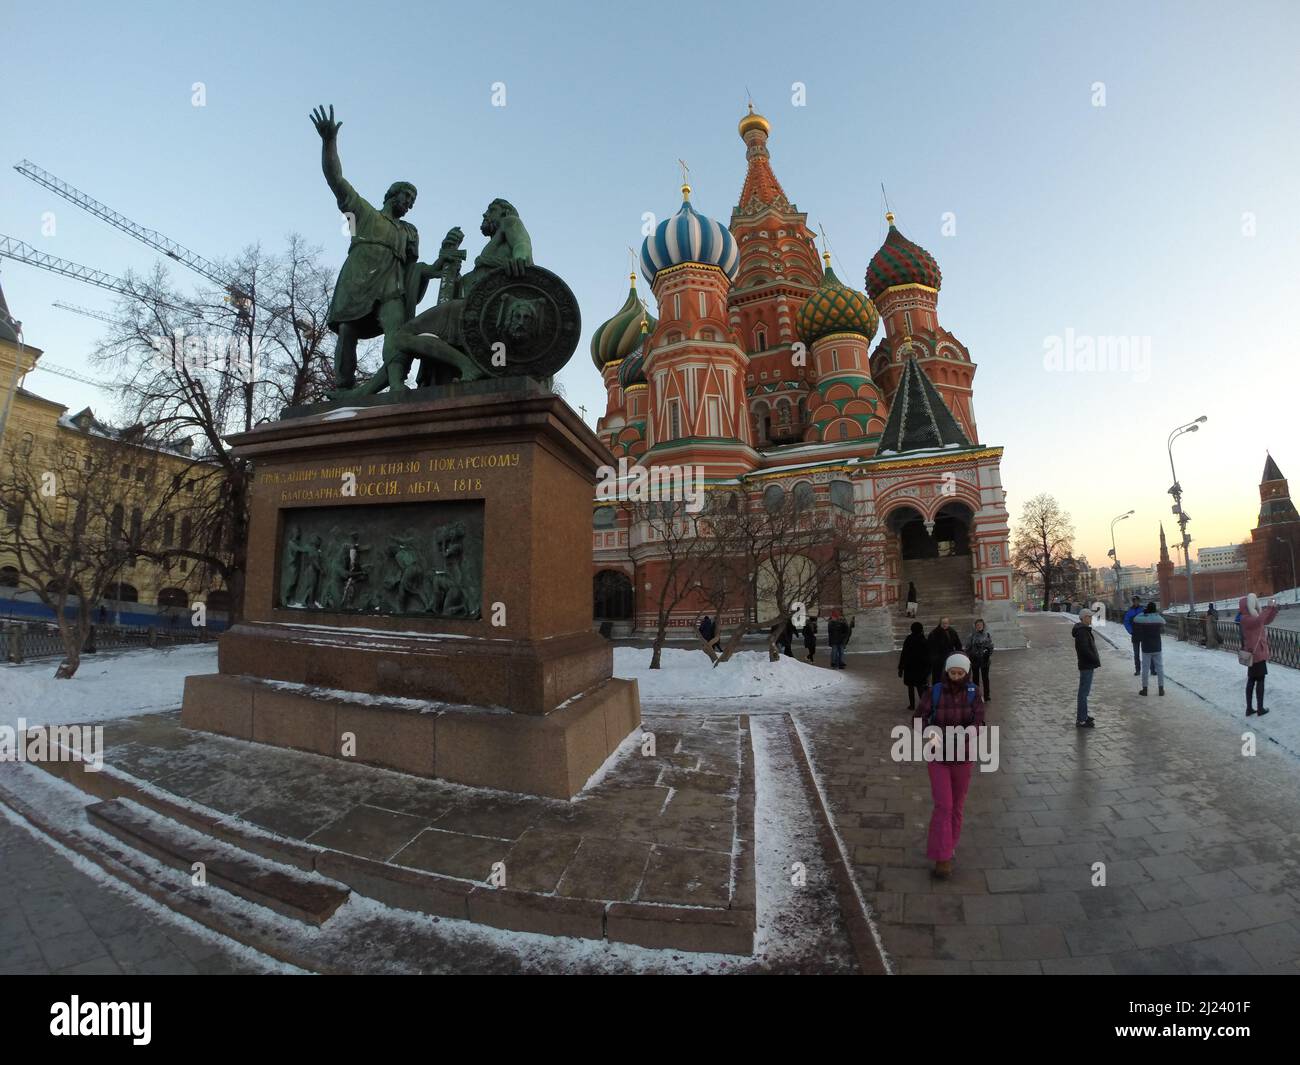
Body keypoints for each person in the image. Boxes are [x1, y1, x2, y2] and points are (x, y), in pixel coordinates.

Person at [916, 652, 985, 880]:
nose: (956, 677)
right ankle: (942, 857)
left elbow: (980, 720)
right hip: (938, 756)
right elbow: (919, 718)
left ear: (966, 673)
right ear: (947, 671)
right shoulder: (934, 691)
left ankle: (949, 843)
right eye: (952, 672)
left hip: (963, 756)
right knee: (943, 805)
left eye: (960, 673)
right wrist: (930, 732)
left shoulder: (974, 693)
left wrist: (970, 731)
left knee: (957, 805)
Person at [1240, 592, 1281, 716]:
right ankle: (1259, 708)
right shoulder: (1246, 619)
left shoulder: (1252, 617)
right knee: (1259, 679)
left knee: (1252, 679)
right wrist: (1268, 608)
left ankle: (1250, 709)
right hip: (1256, 653)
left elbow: (1266, 621)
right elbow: (1260, 620)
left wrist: (1272, 610)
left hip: (1255, 652)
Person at [1073, 608, 1101, 728]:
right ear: (1084, 618)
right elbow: (1084, 650)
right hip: (1086, 664)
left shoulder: (1083, 630)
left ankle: (1083, 716)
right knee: (1083, 693)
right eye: (1089, 617)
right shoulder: (1082, 632)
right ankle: (1081, 720)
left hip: (1087, 664)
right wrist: (1094, 659)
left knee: (1084, 692)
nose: (1091, 619)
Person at [1132, 601, 1166, 696]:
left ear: (1147, 609)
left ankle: (1145, 689)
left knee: (1145, 669)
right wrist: (1155, 614)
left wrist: (1144, 612)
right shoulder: (1158, 619)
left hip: (1146, 647)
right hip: (1157, 646)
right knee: (1160, 668)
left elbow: (1135, 619)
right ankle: (1161, 689)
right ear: (1155, 609)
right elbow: (1164, 622)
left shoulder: (1143, 619)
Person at [898, 621, 930, 711]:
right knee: (920, 687)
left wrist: (901, 668)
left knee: (910, 687)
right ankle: (923, 705)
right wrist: (928, 669)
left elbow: (903, 654)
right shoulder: (923, 640)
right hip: (920, 668)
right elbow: (927, 656)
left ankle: (912, 705)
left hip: (909, 668)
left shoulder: (908, 639)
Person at [926, 617, 963, 684]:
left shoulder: (952, 632)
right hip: (937, 661)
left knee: (949, 678)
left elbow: (958, 645)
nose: (944, 625)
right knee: (938, 680)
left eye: (946, 623)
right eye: (943, 623)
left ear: (948, 623)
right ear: (940, 623)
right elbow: (929, 648)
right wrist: (933, 658)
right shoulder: (934, 633)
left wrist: (960, 656)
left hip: (949, 659)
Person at [967, 619, 994, 700]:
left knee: (985, 678)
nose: (979, 626)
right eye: (977, 625)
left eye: (980, 625)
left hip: (985, 660)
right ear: (975, 626)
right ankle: (976, 695)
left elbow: (991, 646)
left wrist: (988, 653)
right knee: (975, 678)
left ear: (983, 626)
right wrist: (971, 655)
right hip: (975, 660)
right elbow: (968, 648)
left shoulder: (987, 635)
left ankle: (987, 695)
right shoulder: (971, 636)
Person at [1121, 594, 1143, 676]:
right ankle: (1137, 670)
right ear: (1133, 602)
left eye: (1137, 600)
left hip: (1143, 634)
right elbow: (1126, 622)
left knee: (1146, 652)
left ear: (1139, 601)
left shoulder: (1143, 609)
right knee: (1136, 654)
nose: (1136, 602)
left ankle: (1151, 669)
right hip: (1135, 635)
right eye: (1134, 601)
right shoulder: (1129, 611)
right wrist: (1131, 631)